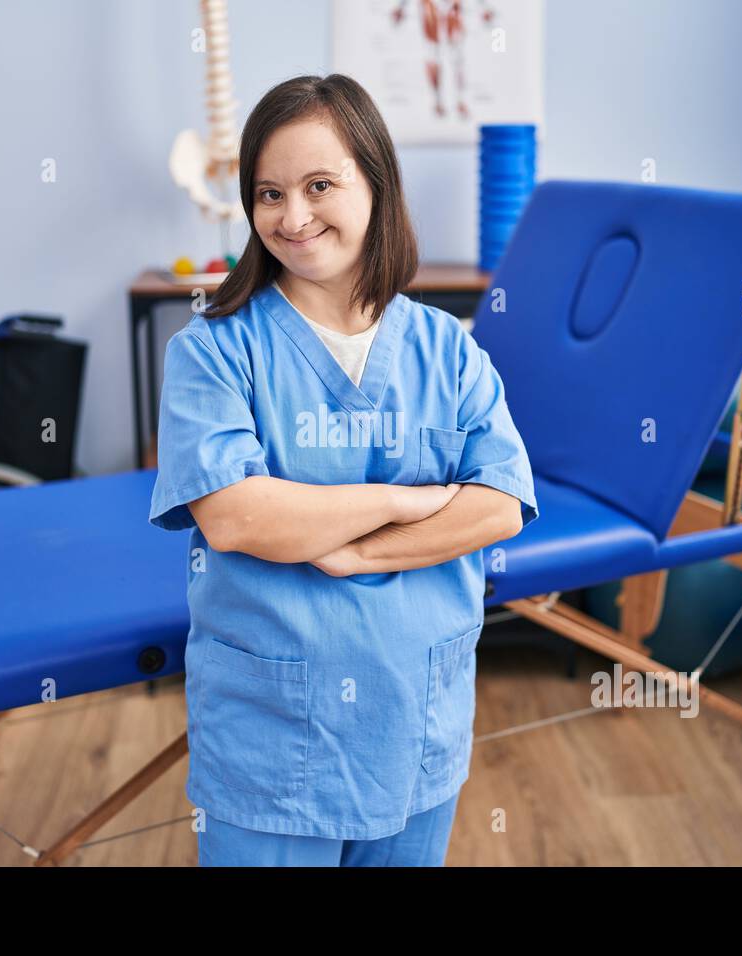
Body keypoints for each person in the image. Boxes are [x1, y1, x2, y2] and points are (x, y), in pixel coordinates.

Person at [149, 73, 537, 867]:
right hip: (273, 741)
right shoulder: (213, 351)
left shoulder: (446, 347)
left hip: (413, 728)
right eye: (268, 193)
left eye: (320, 185)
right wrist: (404, 498)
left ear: (376, 184)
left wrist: (351, 548)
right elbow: (237, 516)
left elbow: (499, 504)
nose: (292, 217)